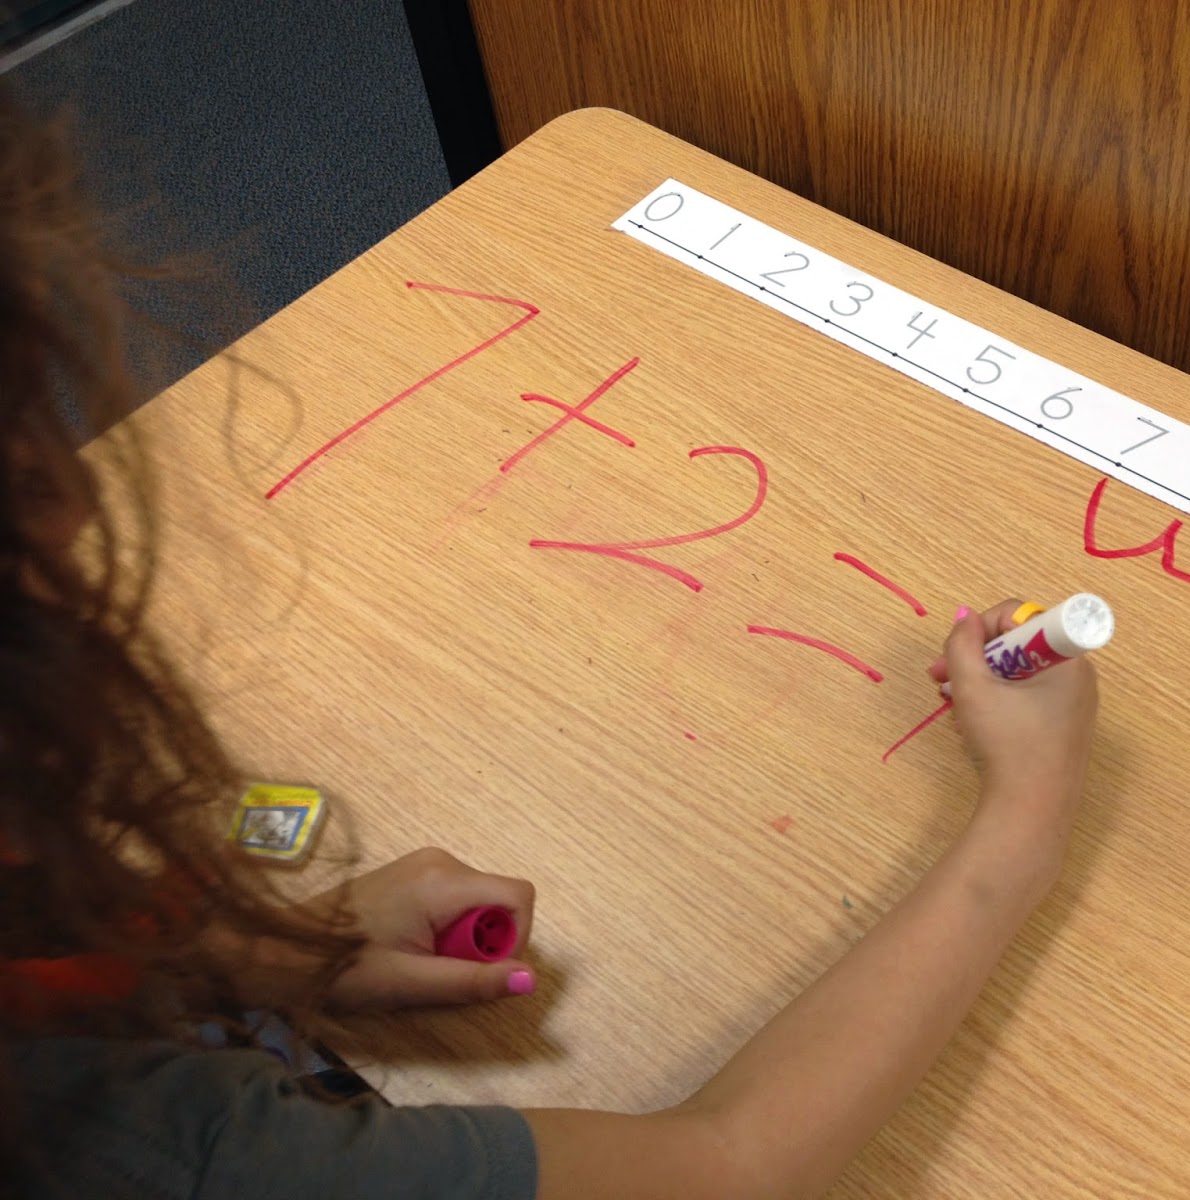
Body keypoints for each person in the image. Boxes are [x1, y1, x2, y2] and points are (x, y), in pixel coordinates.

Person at [0, 90, 1100, 1199]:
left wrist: (250, 956)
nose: (87, 495)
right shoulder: (150, 1152)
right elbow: (733, 1169)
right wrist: (1029, 812)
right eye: (25, 477)